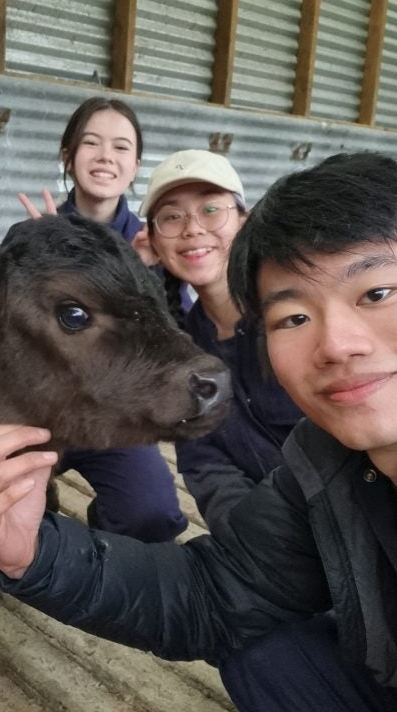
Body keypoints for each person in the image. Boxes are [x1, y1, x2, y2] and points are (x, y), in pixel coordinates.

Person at [0, 152, 397, 712]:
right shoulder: (324, 457)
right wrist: (36, 551)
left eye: (375, 293)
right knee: (263, 648)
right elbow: (213, 589)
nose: (338, 344)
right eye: (294, 318)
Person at [17, 97, 188, 543]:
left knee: (152, 517)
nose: (105, 156)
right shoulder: (34, 234)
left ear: (134, 166)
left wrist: (138, 274)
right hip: (36, 415)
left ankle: (103, 550)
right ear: (68, 157)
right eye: (91, 143)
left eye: (121, 147)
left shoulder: (153, 243)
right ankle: (40, 489)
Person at [138, 149, 304, 537]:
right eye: (172, 217)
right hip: (265, 544)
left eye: (211, 209)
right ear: (156, 244)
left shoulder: (299, 314)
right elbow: (203, 460)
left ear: (245, 223)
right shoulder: (183, 350)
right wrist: (249, 534)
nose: (192, 228)